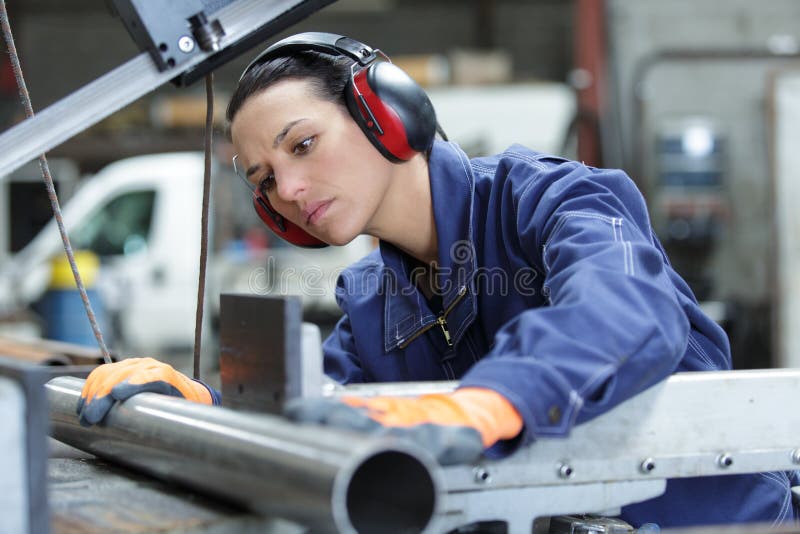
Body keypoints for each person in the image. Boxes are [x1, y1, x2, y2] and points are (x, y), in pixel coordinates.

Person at [77, 32, 797, 527]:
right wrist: (201, 404)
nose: (289, 189)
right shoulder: (371, 302)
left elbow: (624, 308)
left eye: (303, 144)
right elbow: (323, 407)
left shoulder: (552, 200)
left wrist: (489, 403)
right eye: (266, 180)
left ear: (388, 113)